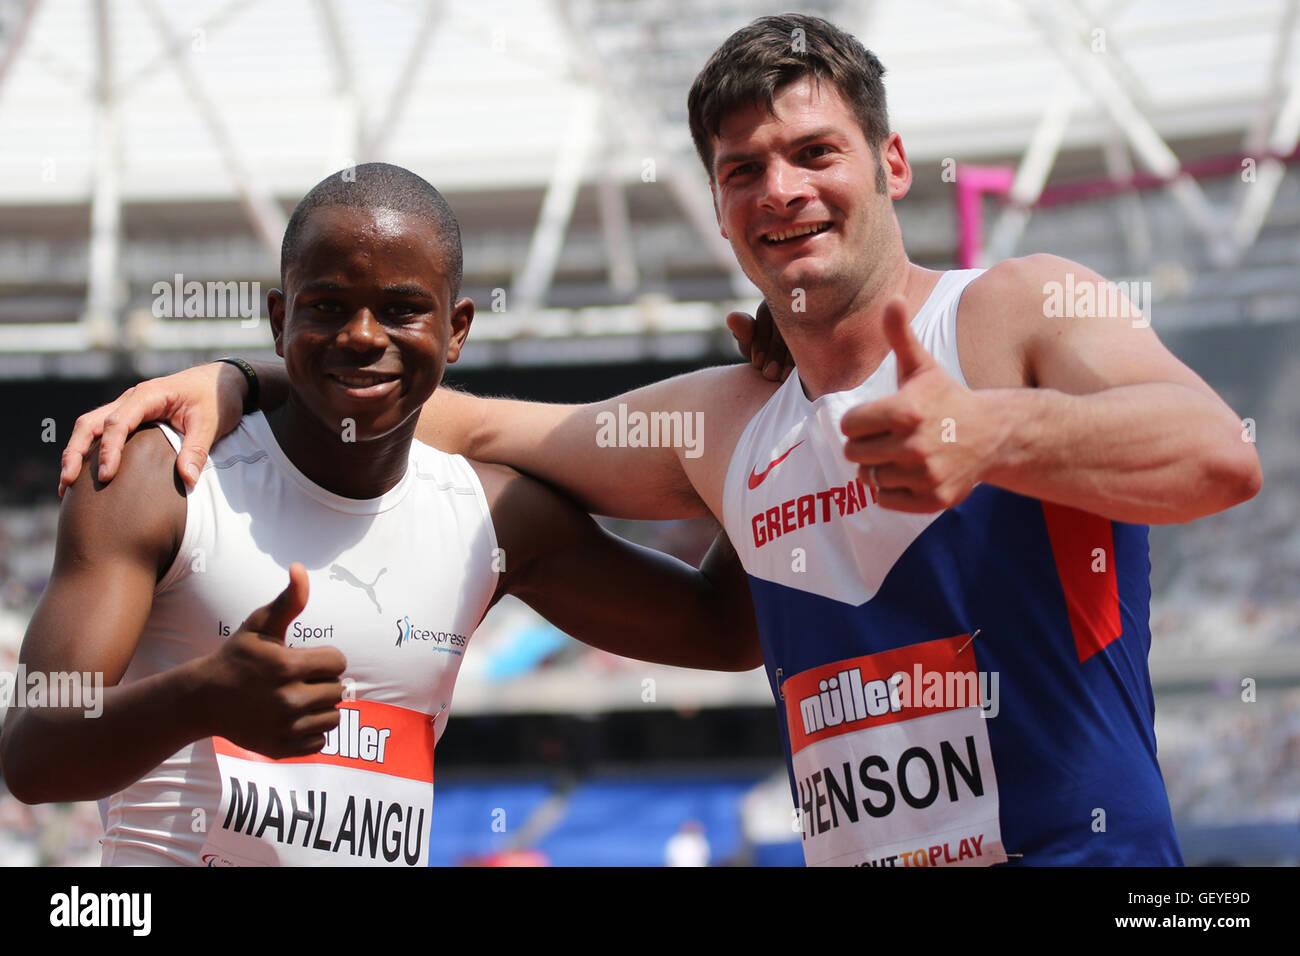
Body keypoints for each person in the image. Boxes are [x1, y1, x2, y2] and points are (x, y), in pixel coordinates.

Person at [58, 15, 1261, 866]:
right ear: (719, 205)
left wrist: (991, 429)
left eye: (814, 152)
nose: (780, 188)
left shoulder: (1015, 307)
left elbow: (1216, 452)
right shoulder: (726, 420)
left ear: (892, 163)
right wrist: (234, 373)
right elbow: (444, 410)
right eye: (742, 170)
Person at [1, 163, 761, 867]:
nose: (363, 336)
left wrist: (780, 404)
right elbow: (32, 753)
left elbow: (724, 631)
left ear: (456, 328)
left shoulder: (491, 515)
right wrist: (197, 699)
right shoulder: (160, 480)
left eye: (401, 310)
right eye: (328, 305)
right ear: (279, 317)